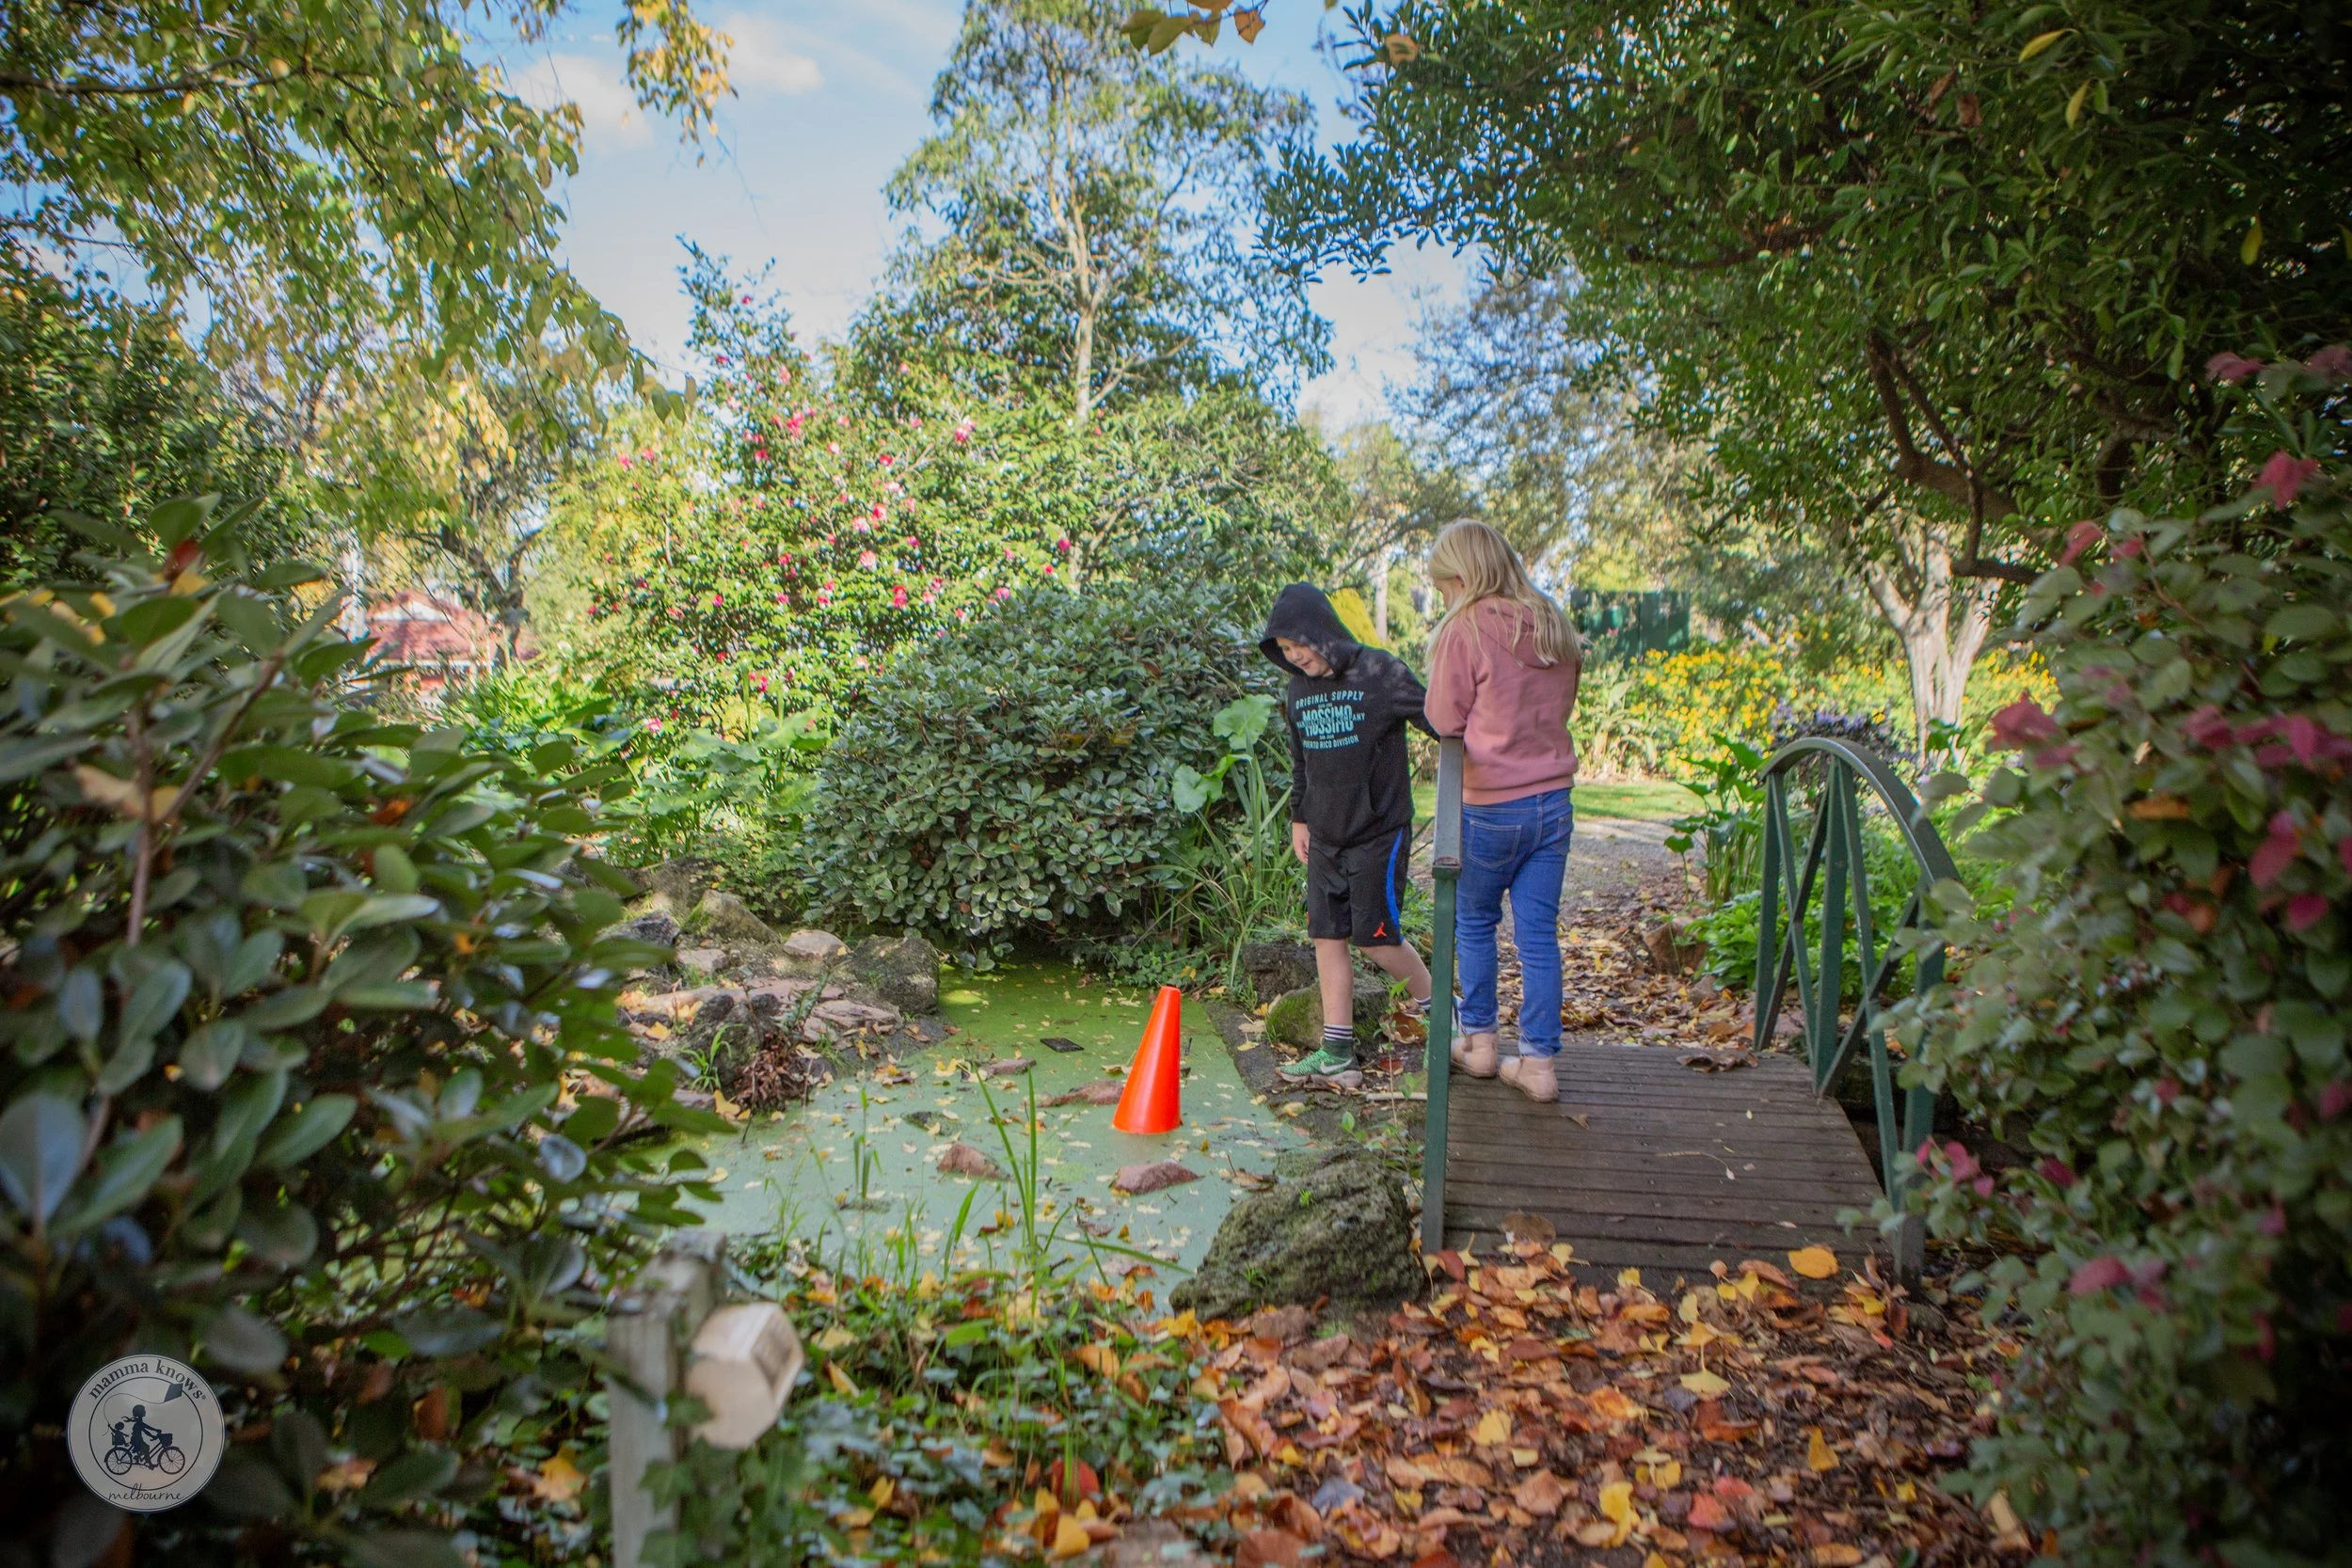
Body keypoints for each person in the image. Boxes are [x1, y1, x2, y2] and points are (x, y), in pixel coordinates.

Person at [1423, 519, 1581, 1102]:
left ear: (1462, 576)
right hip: (1553, 804)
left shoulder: (1466, 628)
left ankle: (1482, 1044)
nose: (1444, 597)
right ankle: (1538, 1064)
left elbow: (1443, 719)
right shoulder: (1553, 622)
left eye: (1442, 586)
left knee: (1475, 922)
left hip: (1490, 806)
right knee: (1538, 935)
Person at [1259, 583, 1435, 1085]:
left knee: (1376, 939)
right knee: (1326, 937)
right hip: (1324, 836)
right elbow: (1301, 760)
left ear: (1323, 633)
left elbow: (1439, 719)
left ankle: (1443, 1009)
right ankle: (1337, 1054)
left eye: (1300, 648)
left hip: (1377, 832)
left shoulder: (1381, 673)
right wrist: (1298, 816)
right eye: (1286, 654)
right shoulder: (1297, 690)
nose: (1296, 660)